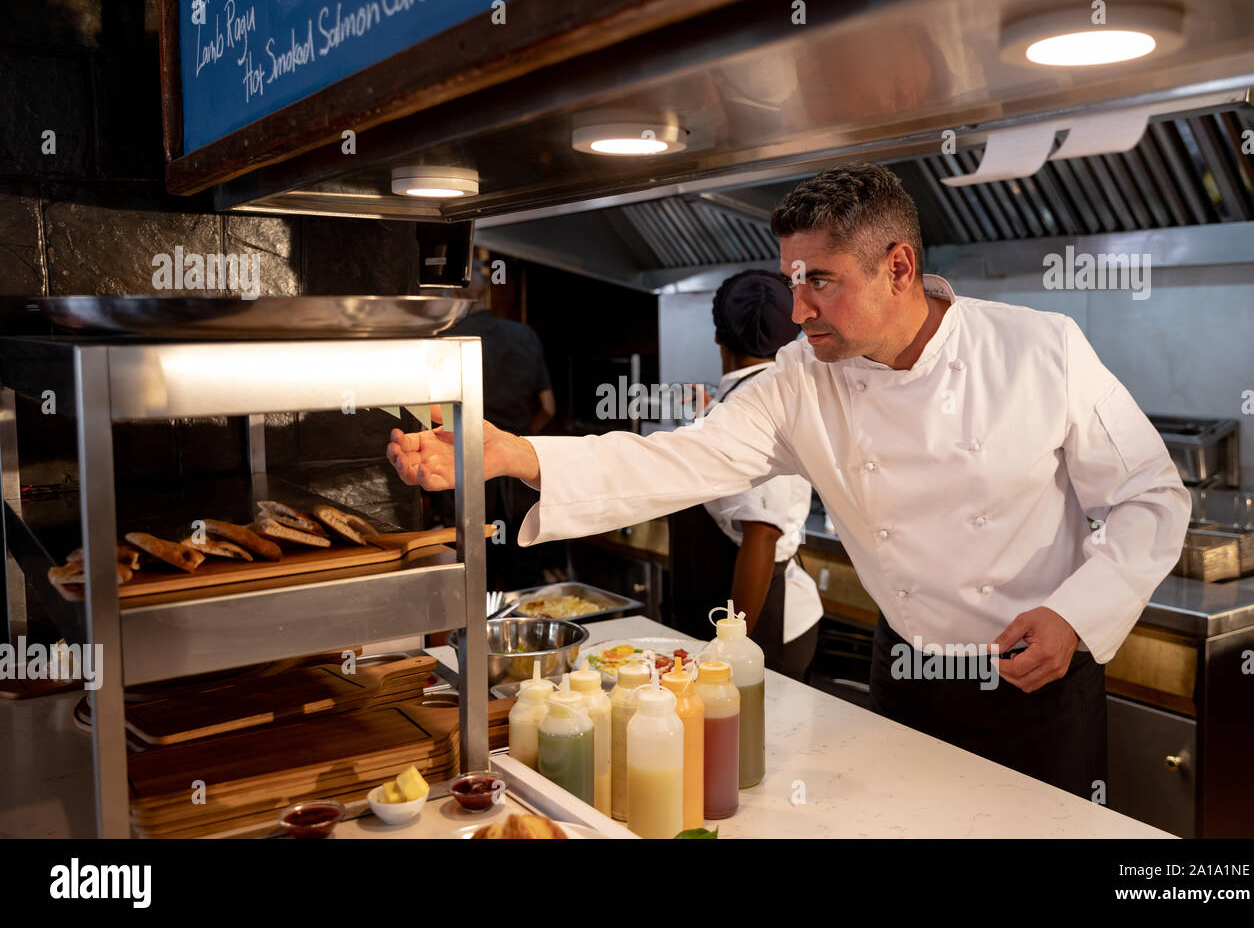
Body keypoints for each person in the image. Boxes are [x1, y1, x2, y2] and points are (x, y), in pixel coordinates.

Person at [389, 163, 1190, 800]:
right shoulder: (799, 382)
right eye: (792, 280)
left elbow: (1151, 496)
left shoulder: (1040, 349)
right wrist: (512, 455)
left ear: (899, 267)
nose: (798, 309)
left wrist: (1076, 618)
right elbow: (676, 460)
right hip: (909, 674)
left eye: (821, 281)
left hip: (1039, 682)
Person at [666, 269, 822, 682]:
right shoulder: (749, 398)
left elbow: (761, 533)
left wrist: (730, 655)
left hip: (760, 625)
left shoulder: (762, 408)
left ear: (718, 337)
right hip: (733, 609)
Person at [433, 261, 558, 591]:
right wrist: (516, 440)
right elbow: (549, 408)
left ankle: (475, 642)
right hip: (519, 479)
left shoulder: (445, 339)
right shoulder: (525, 335)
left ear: (456, 291)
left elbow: (431, 411)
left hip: (462, 477)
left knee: (469, 576)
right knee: (525, 575)